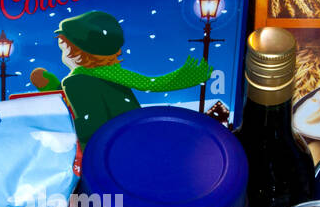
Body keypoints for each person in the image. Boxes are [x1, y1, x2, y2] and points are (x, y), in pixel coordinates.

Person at [30, 10, 213, 145]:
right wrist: (51, 87)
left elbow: (90, 124)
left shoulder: (76, 81)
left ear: (76, 50)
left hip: (102, 153)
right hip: (134, 140)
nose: (63, 54)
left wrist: (49, 129)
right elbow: (150, 84)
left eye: (64, 48)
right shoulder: (114, 74)